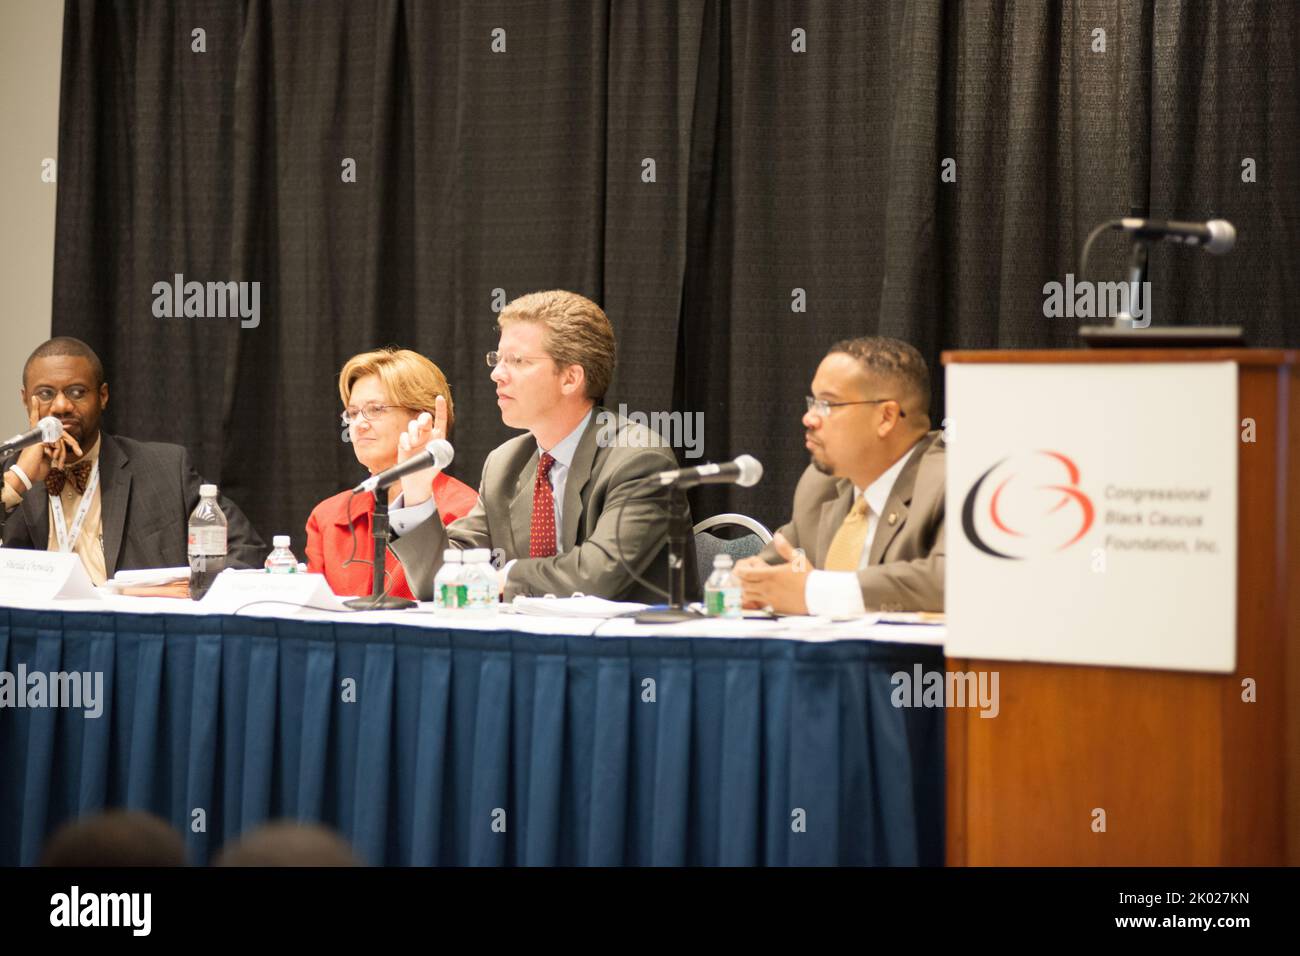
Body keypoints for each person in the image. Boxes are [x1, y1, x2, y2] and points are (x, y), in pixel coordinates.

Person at [389, 290, 694, 603]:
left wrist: (506, 576)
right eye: (497, 359)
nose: (496, 374)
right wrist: (416, 492)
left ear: (570, 379)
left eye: (517, 361)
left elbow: (598, 576)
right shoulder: (505, 465)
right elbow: (439, 585)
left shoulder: (638, 459)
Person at [0, 337, 265, 584]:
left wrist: (187, 594)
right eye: (45, 394)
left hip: (131, 628)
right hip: (35, 630)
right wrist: (19, 479)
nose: (61, 406)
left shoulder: (165, 469)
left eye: (77, 392)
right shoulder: (10, 475)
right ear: (26, 399)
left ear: (102, 396)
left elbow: (246, 551)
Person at [735, 336, 945, 615]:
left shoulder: (950, 481)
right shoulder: (821, 485)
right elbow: (782, 568)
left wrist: (817, 592)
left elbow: (952, 582)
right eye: (812, 402)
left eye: (828, 404)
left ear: (886, 417)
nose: (808, 418)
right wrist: (750, 580)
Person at [305, 347, 478, 599]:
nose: (359, 424)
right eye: (353, 413)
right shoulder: (328, 516)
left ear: (422, 418)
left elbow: (462, 605)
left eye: (376, 409)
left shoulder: (464, 509)